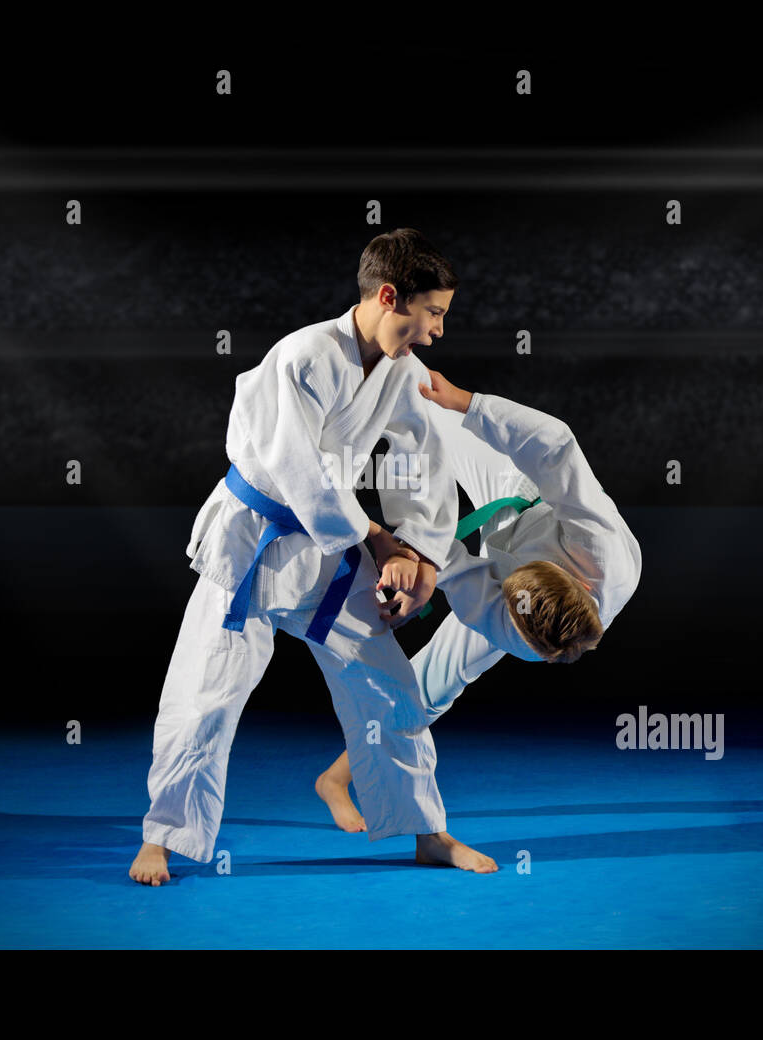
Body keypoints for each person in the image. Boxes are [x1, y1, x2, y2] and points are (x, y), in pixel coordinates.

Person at [131, 229, 498, 885]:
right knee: (206, 696)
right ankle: (162, 838)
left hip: (328, 556)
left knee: (390, 687)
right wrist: (378, 539)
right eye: (434, 311)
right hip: (252, 544)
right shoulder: (303, 356)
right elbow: (296, 470)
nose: (439, 331)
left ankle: (427, 832)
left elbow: (423, 469)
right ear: (391, 296)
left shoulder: (403, 375)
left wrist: (417, 554)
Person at [314, 367, 643, 832]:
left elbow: (451, 564)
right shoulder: (589, 539)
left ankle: (334, 778)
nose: (496, 573)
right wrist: (469, 402)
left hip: (526, 576)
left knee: (431, 681)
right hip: (528, 495)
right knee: (425, 400)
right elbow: (556, 446)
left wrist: (415, 563)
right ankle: (354, 384)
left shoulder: (525, 624)